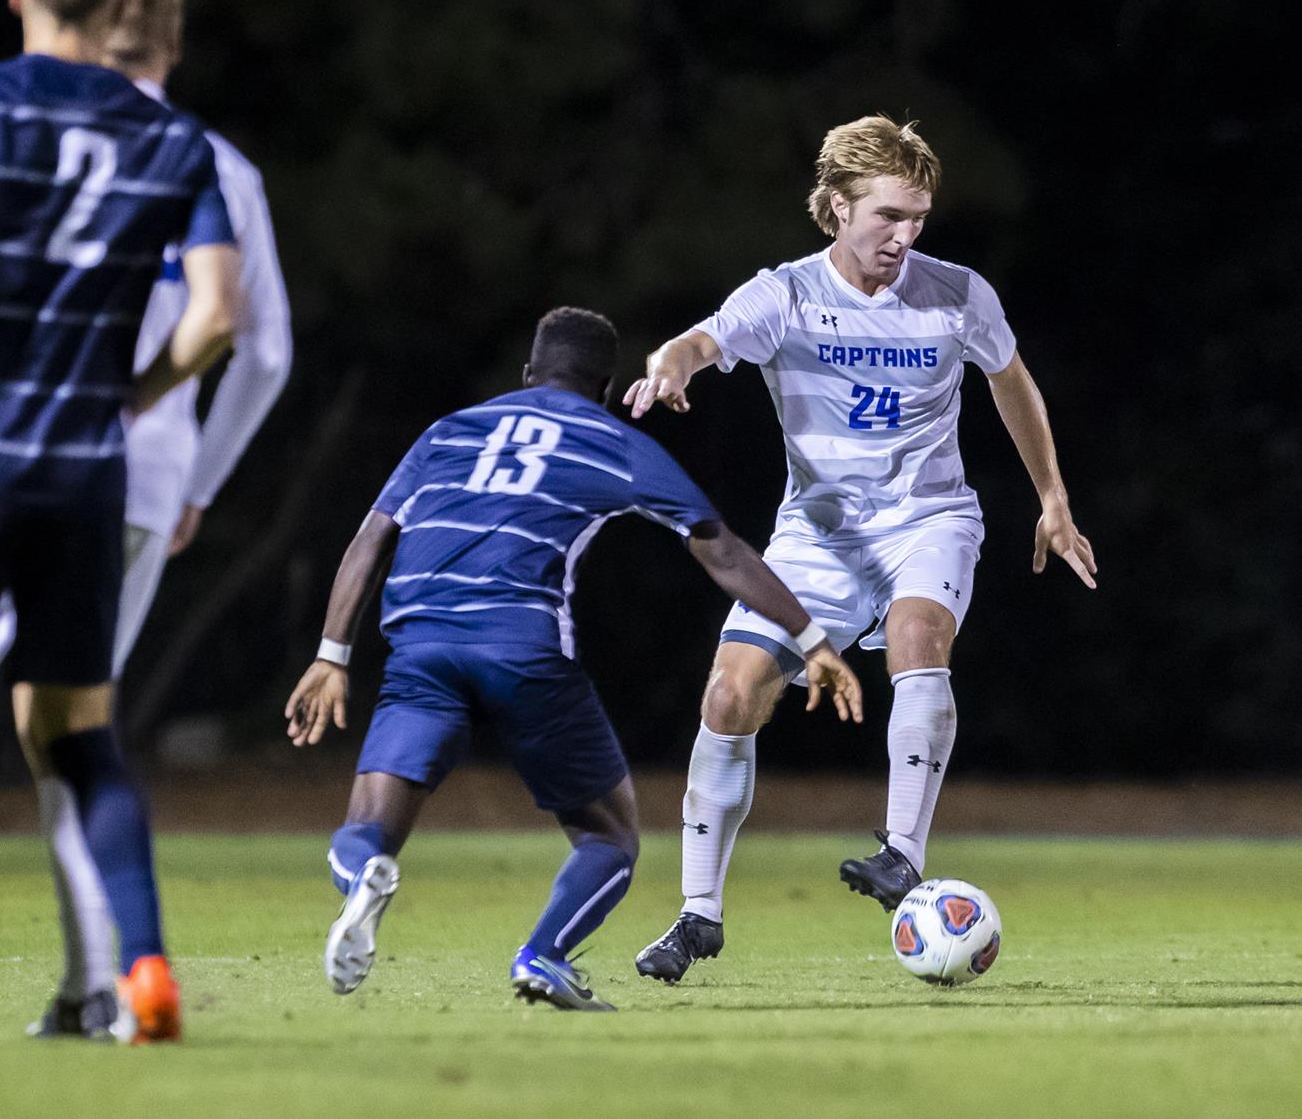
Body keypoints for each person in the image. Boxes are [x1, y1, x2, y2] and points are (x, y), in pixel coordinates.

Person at [624, 116, 1096, 985]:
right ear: (837, 206)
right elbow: (701, 340)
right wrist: (672, 364)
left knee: (919, 635)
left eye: (918, 217)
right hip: (818, 538)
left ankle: (902, 853)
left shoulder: (957, 294)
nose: (905, 235)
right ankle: (697, 915)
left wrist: (1053, 498)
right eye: (888, 215)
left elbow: (1010, 379)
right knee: (730, 695)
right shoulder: (786, 295)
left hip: (928, 518)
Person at [283, 307, 863, 1012]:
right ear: (606, 387)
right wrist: (813, 639)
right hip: (521, 649)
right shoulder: (611, 441)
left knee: (369, 825)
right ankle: (543, 955)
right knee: (608, 835)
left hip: (422, 646)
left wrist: (331, 655)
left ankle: (364, 872)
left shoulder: (448, 431)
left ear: (528, 374)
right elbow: (723, 551)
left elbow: (369, 541)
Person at [0, 0, 242, 1043]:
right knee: (79, 732)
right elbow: (216, 317)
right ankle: (144, 970)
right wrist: (134, 397)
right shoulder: (174, 139)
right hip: (87, 471)